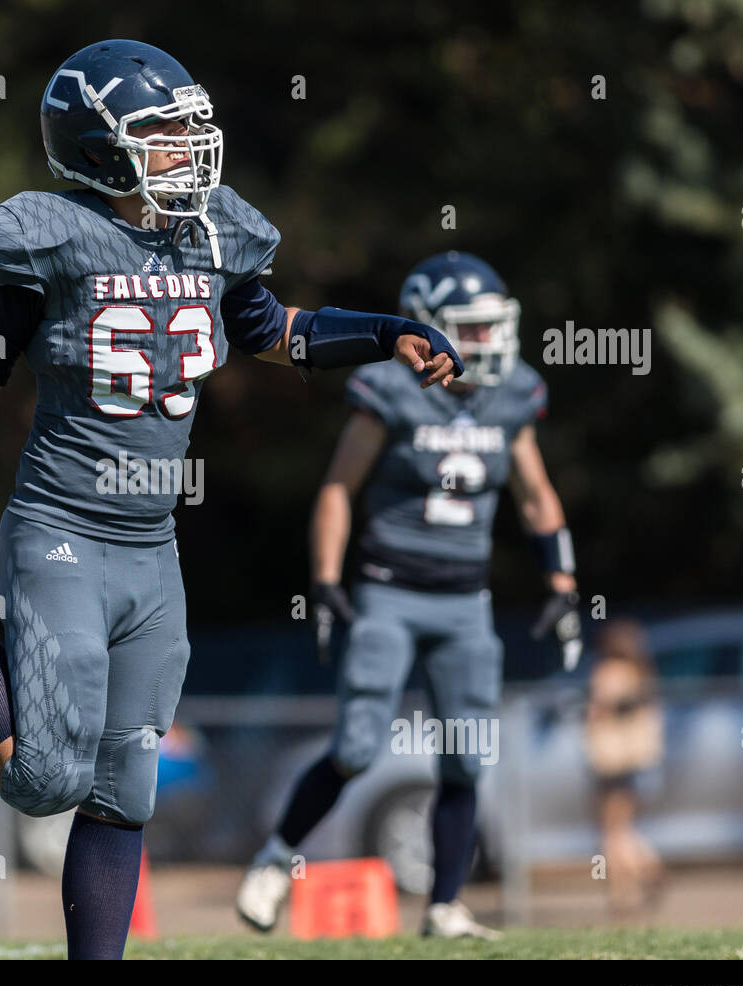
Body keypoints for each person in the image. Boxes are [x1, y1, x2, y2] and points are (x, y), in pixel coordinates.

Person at [0, 39, 465, 960]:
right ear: (99, 146)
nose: (188, 148)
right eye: (162, 133)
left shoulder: (210, 235)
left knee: (126, 792)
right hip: (61, 531)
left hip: (152, 549)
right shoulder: (49, 235)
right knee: (43, 780)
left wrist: (389, 330)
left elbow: (278, 333)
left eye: (190, 128)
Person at [237, 250, 581, 939]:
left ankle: (446, 905)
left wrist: (564, 583)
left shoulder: (512, 392)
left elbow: (536, 494)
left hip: (465, 601)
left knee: (465, 752)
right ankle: (276, 860)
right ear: (429, 326)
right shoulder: (389, 390)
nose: (485, 342)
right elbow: (339, 487)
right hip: (391, 591)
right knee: (360, 745)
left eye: (491, 328)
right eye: (470, 329)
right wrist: (327, 580)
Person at [585, 618, 664, 911]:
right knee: (625, 826)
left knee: (611, 831)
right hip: (638, 760)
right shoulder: (641, 673)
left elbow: (599, 712)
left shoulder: (606, 673)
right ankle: (647, 867)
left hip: (611, 761)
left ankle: (625, 890)